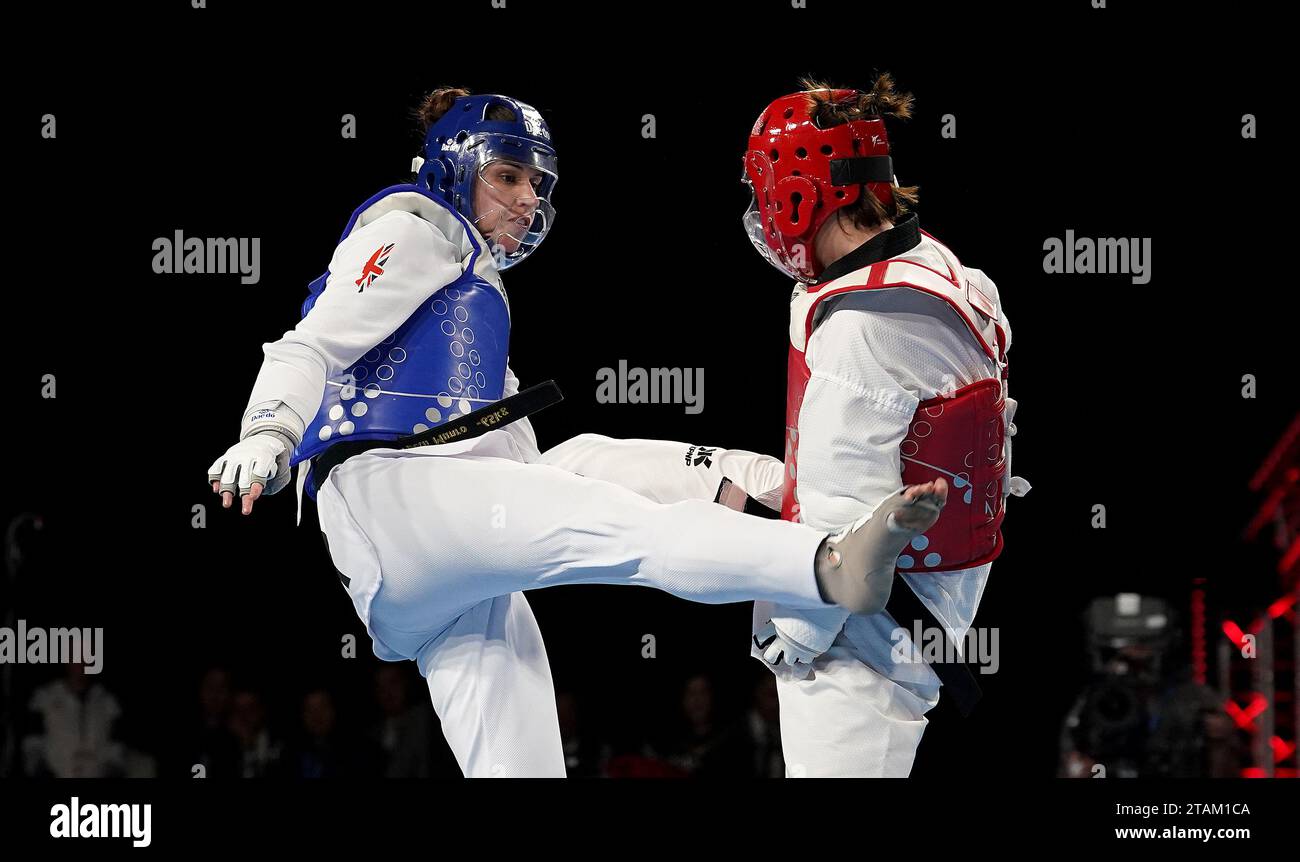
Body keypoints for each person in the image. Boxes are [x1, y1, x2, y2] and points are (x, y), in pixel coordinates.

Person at [206, 87, 945, 777]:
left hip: (433, 574)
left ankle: (778, 495)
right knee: (617, 528)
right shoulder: (414, 224)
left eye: (538, 183)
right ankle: (827, 562)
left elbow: (512, 456)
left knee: (588, 475)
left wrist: (707, 477)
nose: (529, 198)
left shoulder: (467, 296)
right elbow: (308, 345)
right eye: (508, 176)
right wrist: (267, 433)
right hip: (394, 502)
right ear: (453, 168)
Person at [740, 76, 1029, 777]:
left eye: (762, 190)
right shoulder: (940, 268)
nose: (758, 210)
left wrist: (788, 639)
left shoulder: (863, 329)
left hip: (863, 637)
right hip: (930, 603)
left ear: (802, 191)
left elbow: (839, 535)